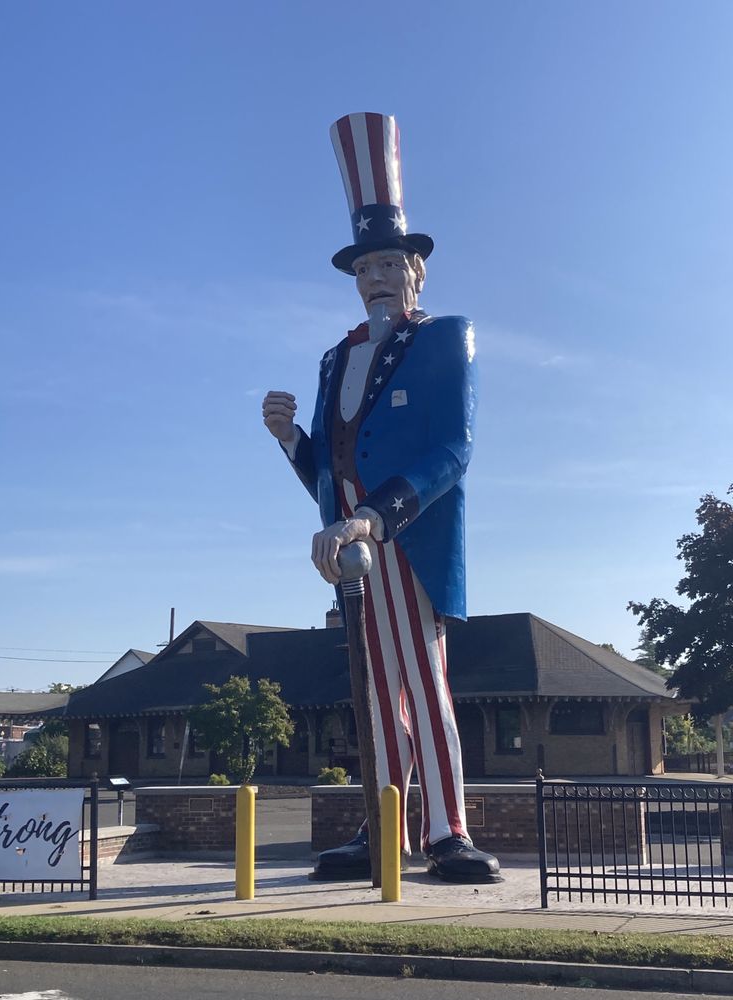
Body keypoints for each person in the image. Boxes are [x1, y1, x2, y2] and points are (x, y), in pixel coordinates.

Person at [262, 112, 500, 883]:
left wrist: (377, 512)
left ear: (416, 272)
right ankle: (384, 825)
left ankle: (446, 831)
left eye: (391, 263)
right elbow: (335, 464)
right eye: (366, 267)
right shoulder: (338, 358)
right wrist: (291, 441)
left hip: (407, 535)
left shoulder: (443, 339)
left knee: (422, 682)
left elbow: (451, 453)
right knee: (371, 692)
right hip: (353, 546)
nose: (377, 278)